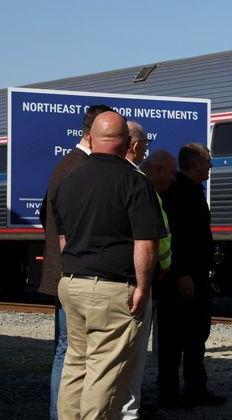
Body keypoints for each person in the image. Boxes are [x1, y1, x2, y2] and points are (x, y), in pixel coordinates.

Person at [53, 110, 165, 419]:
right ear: (128, 143)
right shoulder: (135, 182)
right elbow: (146, 242)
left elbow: (63, 238)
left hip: (72, 283)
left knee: (76, 364)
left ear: (90, 139)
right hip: (114, 289)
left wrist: (72, 274)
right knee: (105, 370)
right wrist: (143, 287)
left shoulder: (69, 180)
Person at [38, 104, 112, 420]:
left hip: (65, 270)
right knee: (70, 351)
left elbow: (45, 214)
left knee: (68, 349)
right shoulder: (78, 167)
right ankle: (61, 413)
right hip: (73, 271)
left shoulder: (66, 165)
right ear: (94, 133)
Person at [156, 143, 226, 407]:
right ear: (196, 164)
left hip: (196, 276)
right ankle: (170, 392)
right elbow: (174, 237)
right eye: (208, 162)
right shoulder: (176, 193)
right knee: (173, 338)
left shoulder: (195, 191)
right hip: (180, 280)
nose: (210, 167)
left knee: (197, 336)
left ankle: (196, 387)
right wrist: (182, 273)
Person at [126, 150, 176, 418]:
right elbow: (151, 237)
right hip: (139, 278)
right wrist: (146, 283)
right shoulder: (141, 187)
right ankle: (127, 411)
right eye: (170, 172)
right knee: (130, 354)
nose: (173, 179)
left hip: (140, 275)